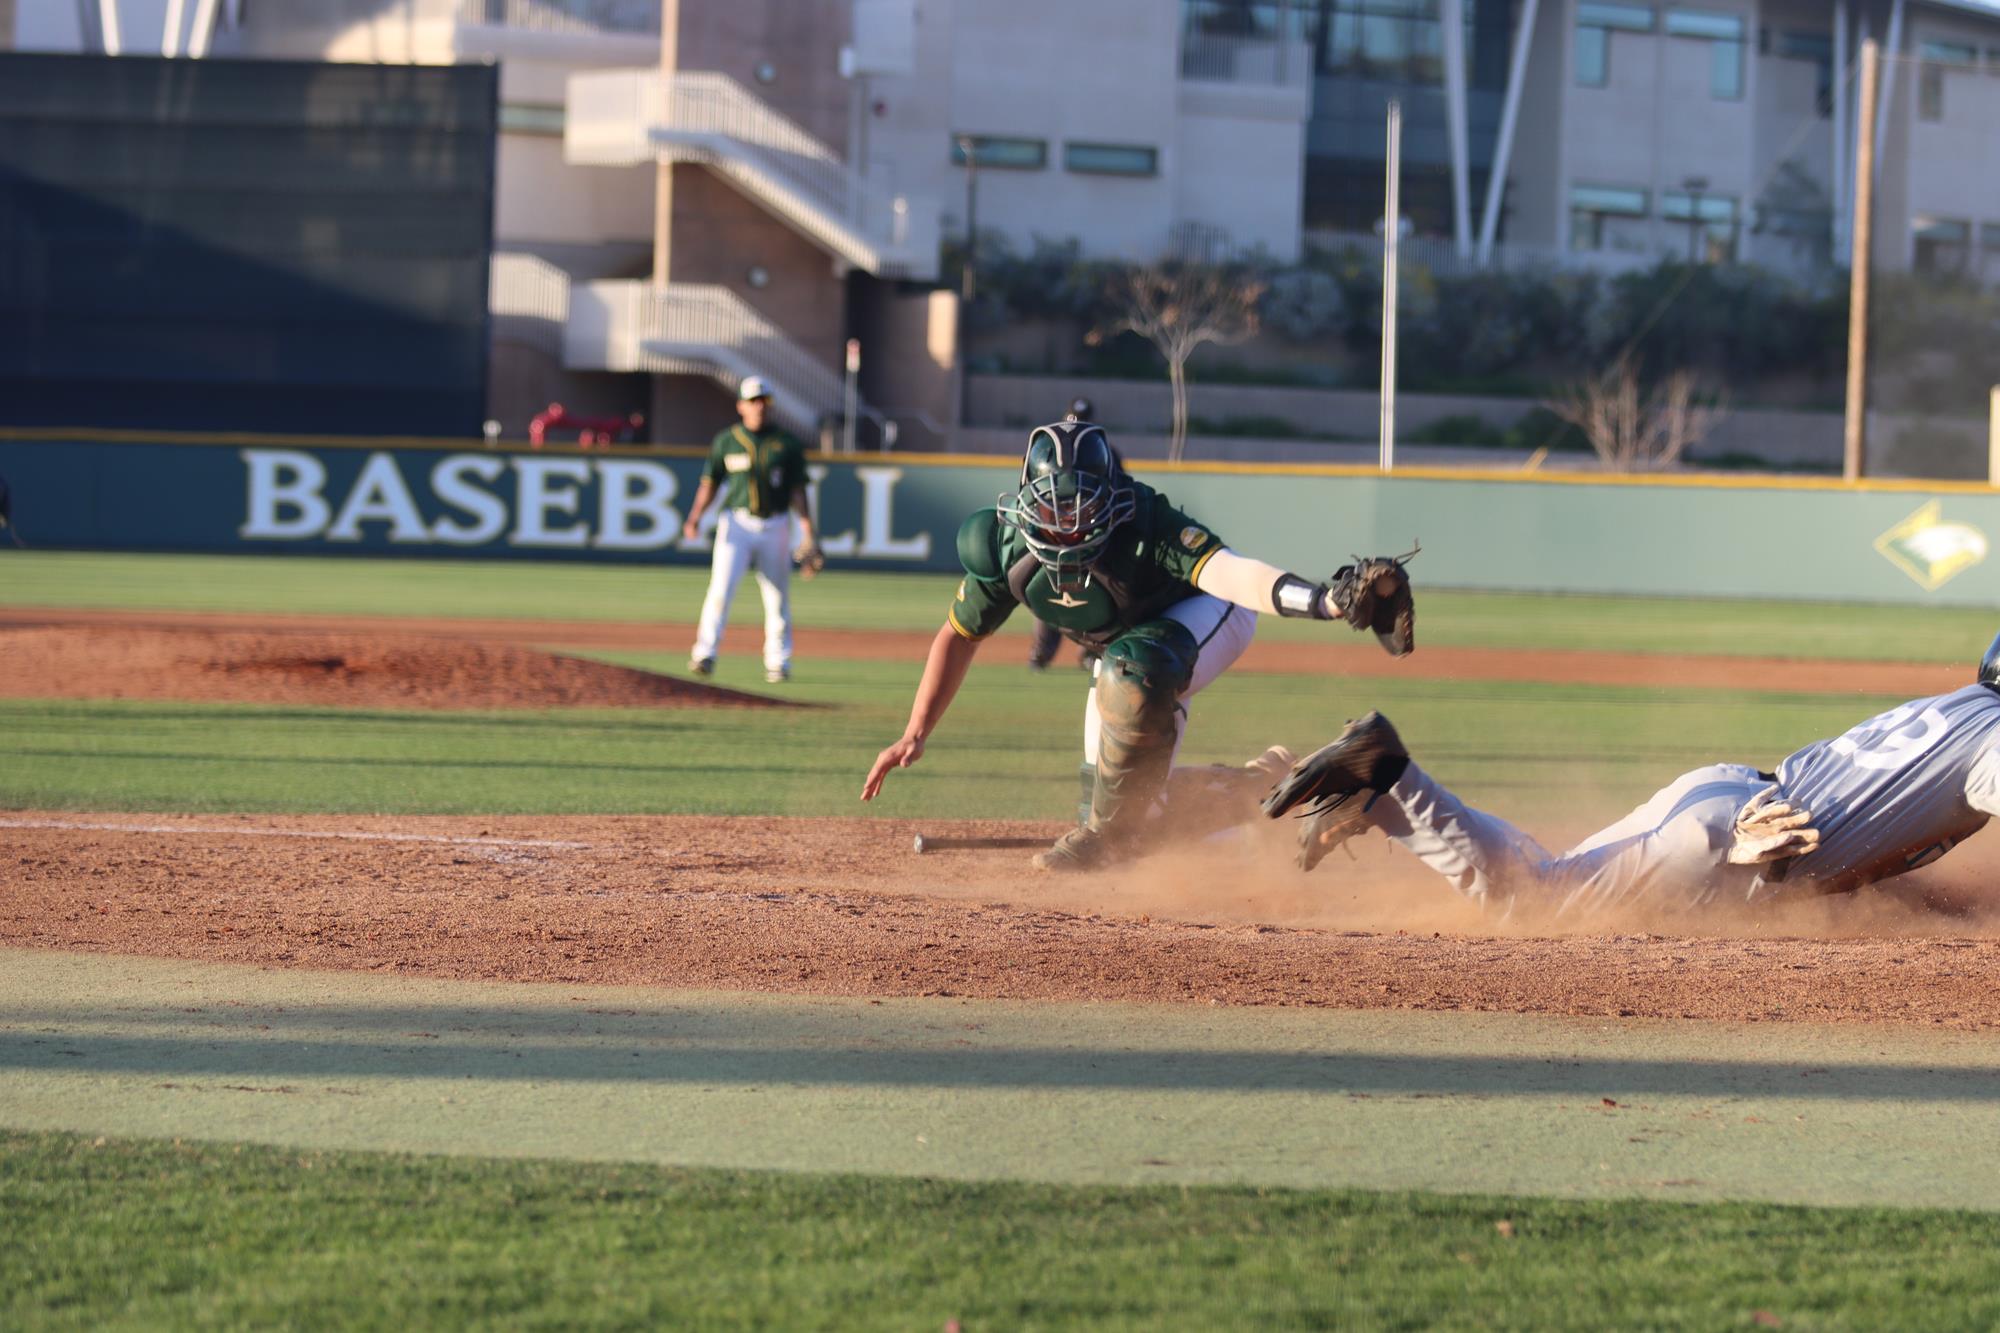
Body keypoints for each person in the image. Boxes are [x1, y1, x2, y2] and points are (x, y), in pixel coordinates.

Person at [861, 417, 1416, 872]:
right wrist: (914, 732)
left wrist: (1325, 602)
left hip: (1199, 617)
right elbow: (959, 637)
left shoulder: (1146, 520)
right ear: (1026, 501)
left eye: (1083, 506)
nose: (1069, 526)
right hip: (1127, 659)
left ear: (1113, 498)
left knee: (1127, 716)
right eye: (1056, 507)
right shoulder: (1001, 549)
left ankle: (1165, 823)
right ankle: (1271, 788)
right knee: (1131, 816)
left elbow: (1231, 575)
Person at [1263, 634, 2000, 919]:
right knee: (1536, 906)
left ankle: (1379, 799)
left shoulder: (1962, 704)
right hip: (1737, 843)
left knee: (1545, 878)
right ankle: (1388, 776)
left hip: (1728, 794)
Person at [681, 377, 820, 685]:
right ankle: (705, 653)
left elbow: (798, 491)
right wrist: (694, 517)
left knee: (776, 597)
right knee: (720, 590)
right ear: (741, 405)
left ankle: (778, 662)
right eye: (753, 401)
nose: (759, 407)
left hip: (776, 524)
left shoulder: (787, 443)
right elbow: (710, 483)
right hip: (736, 524)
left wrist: (808, 531)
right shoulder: (726, 441)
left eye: (763, 401)